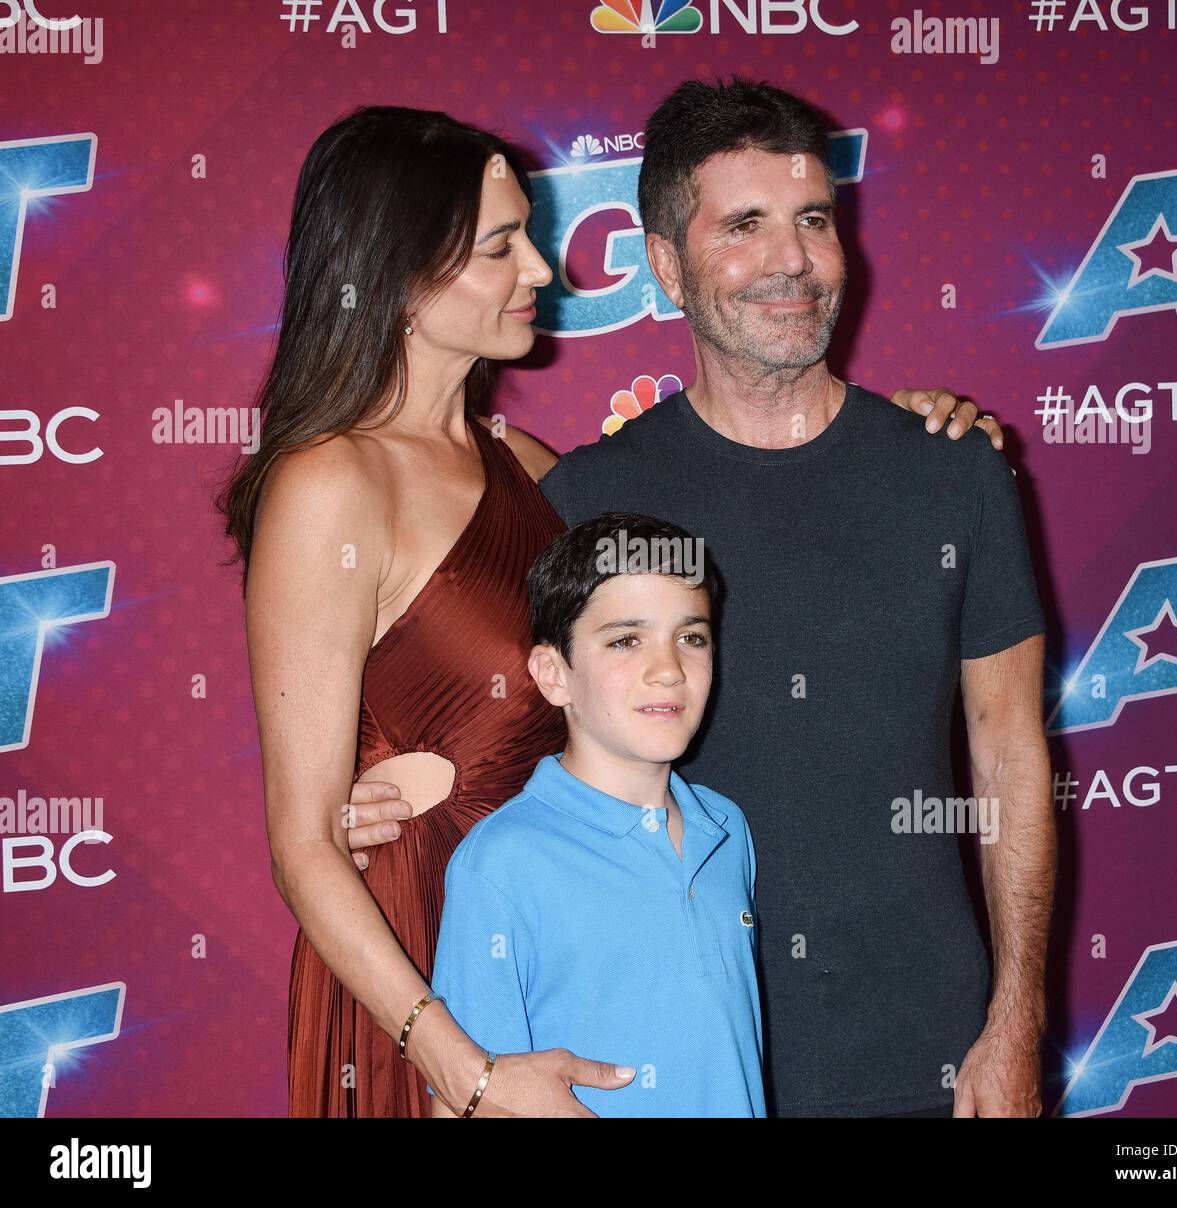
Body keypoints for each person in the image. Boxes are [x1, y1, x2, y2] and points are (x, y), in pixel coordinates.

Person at [227, 102, 994, 1118]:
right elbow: (305, 839)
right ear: (402, 274)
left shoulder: (539, 474)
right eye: (503, 247)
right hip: (422, 964)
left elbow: (733, 548)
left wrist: (919, 433)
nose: (545, 274)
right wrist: (464, 1066)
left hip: (598, 941)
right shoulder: (330, 483)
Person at [428, 512, 764, 1118]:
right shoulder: (501, 862)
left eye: (692, 636)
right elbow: (461, 1102)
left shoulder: (726, 830)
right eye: (626, 640)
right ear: (554, 675)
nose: (668, 669)